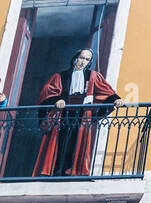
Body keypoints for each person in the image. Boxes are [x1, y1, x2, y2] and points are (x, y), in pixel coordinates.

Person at [32, 47, 120, 177]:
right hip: (63, 114)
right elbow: (48, 92)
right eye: (81, 58)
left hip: (82, 115)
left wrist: (116, 99)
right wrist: (57, 100)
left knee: (77, 143)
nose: (83, 62)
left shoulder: (93, 76)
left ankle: (71, 171)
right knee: (60, 143)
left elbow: (105, 90)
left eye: (87, 59)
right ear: (75, 58)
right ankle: (57, 171)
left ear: (89, 62)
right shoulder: (60, 76)